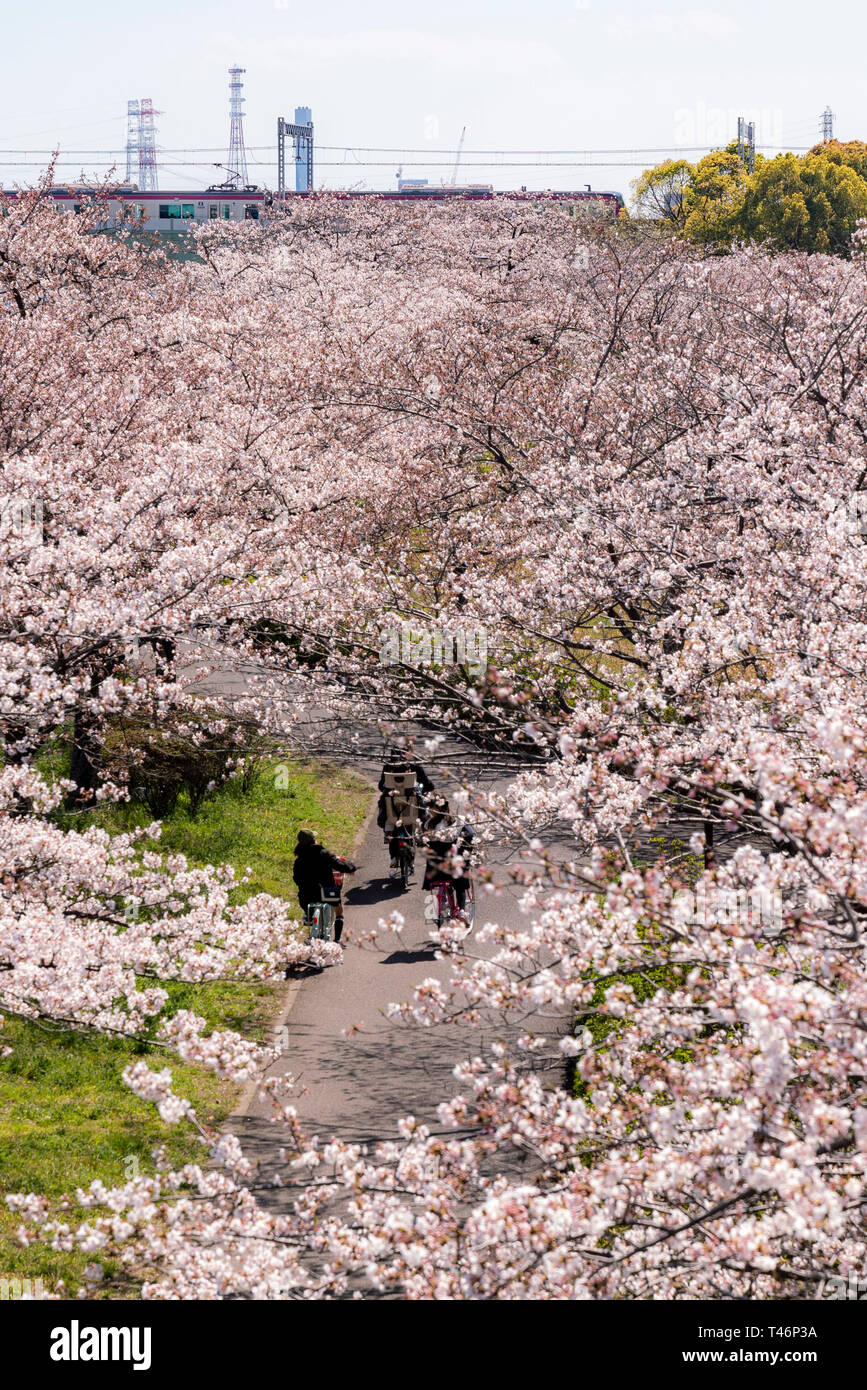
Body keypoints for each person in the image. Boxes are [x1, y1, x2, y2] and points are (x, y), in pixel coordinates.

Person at [377, 746, 434, 874]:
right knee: (422, 813)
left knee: (386, 811)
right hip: (411, 807)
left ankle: (389, 838)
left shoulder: (388, 767)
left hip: (392, 807)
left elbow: (381, 786)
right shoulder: (415, 766)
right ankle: (421, 834)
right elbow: (428, 784)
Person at [292, 830, 357, 943]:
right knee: (338, 910)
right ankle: (337, 939)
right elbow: (338, 864)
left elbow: (296, 878)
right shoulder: (322, 853)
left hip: (306, 895)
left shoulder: (299, 859)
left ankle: (310, 919)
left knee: (309, 908)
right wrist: (351, 867)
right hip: (327, 891)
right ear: (313, 839)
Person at [421, 796, 474, 920]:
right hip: (454, 864)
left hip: (436, 866)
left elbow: (424, 841)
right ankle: (461, 909)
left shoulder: (427, 824)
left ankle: (443, 896)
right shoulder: (458, 821)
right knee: (460, 881)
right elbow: (470, 835)